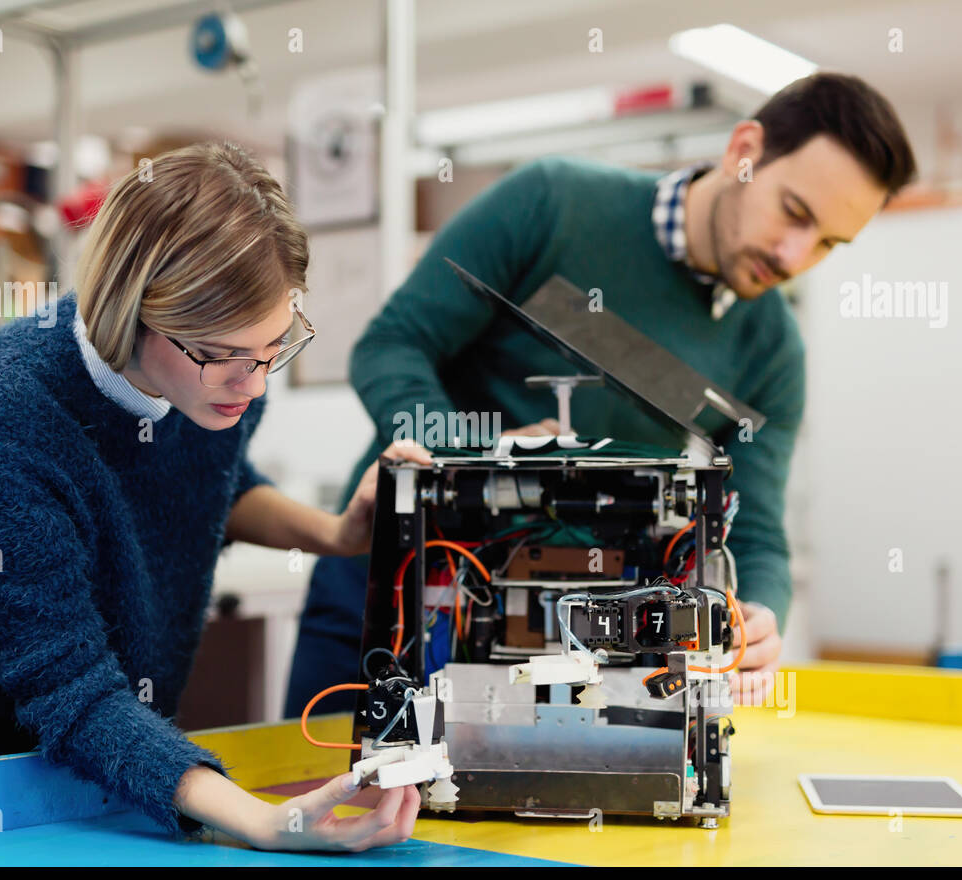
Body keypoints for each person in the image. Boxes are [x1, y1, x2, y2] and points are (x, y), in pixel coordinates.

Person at [286, 72, 917, 717]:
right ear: (745, 152)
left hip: (569, 634)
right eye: (794, 212)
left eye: (828, 244)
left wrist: (759, 612)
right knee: (319, 796)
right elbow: (391, 345)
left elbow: (753, 526)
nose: (794, 254)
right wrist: (476, 453)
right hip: (399, 587)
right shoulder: (553, 203)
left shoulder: (772, 350)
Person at [0, 141, 431, 853]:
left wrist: (336, 535)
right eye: (222, 355)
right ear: (132, 308)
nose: (252, 385)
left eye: (273, 349)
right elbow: (68, 687)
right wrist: (259, 820)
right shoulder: (4, 407)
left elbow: (215, 486)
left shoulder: (219, 386)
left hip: (107, 744)